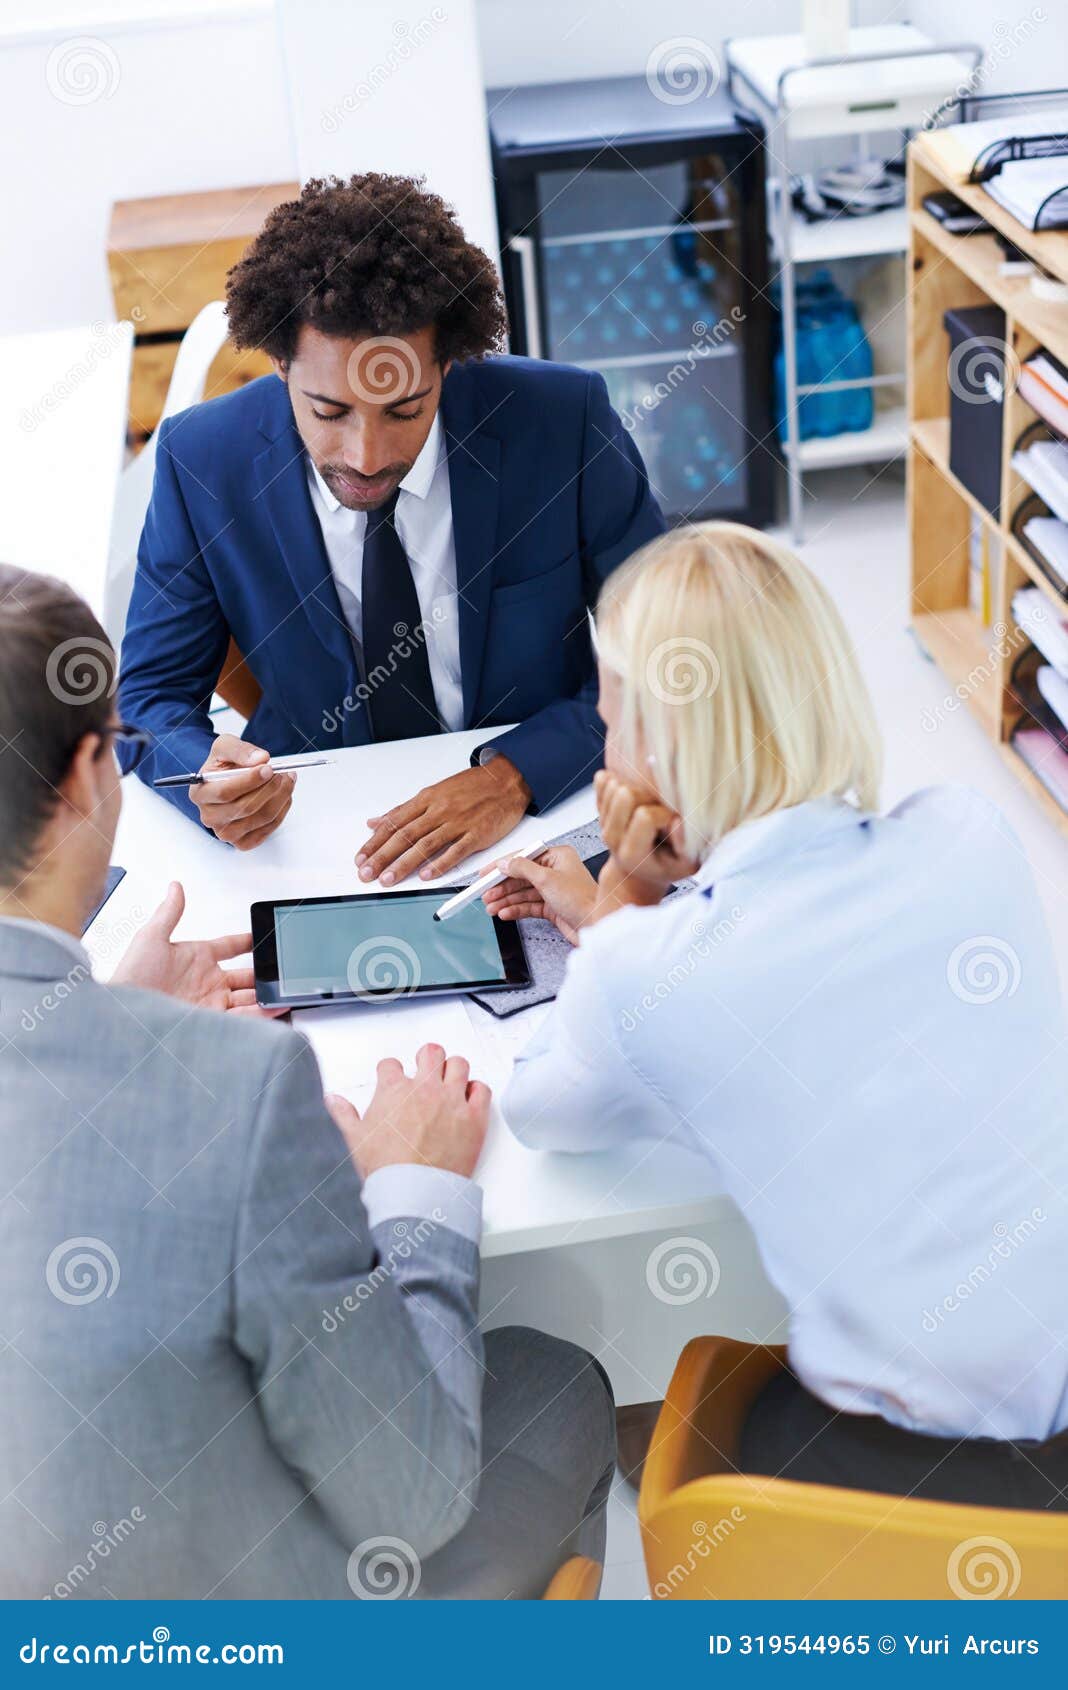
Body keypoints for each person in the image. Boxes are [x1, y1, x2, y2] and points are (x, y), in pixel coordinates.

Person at [0, 564, 614, 1599]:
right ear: (85, 774)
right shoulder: (242, 1090)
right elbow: (408, 1497)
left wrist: (114, 1011)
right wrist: (411, 1186)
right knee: (559, 1377)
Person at [487, 522, 1068, 1509]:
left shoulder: (646, 971)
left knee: (644, 1396)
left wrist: (625, 888)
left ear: (656, 752)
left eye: (611, 716)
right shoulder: (966, 832)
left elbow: (541, 1111)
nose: (603, 737)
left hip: (908, 1479)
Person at [117, 171, 664, 879]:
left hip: (538, 813)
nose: (367, 458)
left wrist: (514, 776)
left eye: (405, 410)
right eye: (329, 411)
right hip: (311, 825)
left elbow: (672, 649)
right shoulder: (203, 459)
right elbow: (149, 701)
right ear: (279, 363)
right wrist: (201, 778)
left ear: (450, 361)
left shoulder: (563, 421)